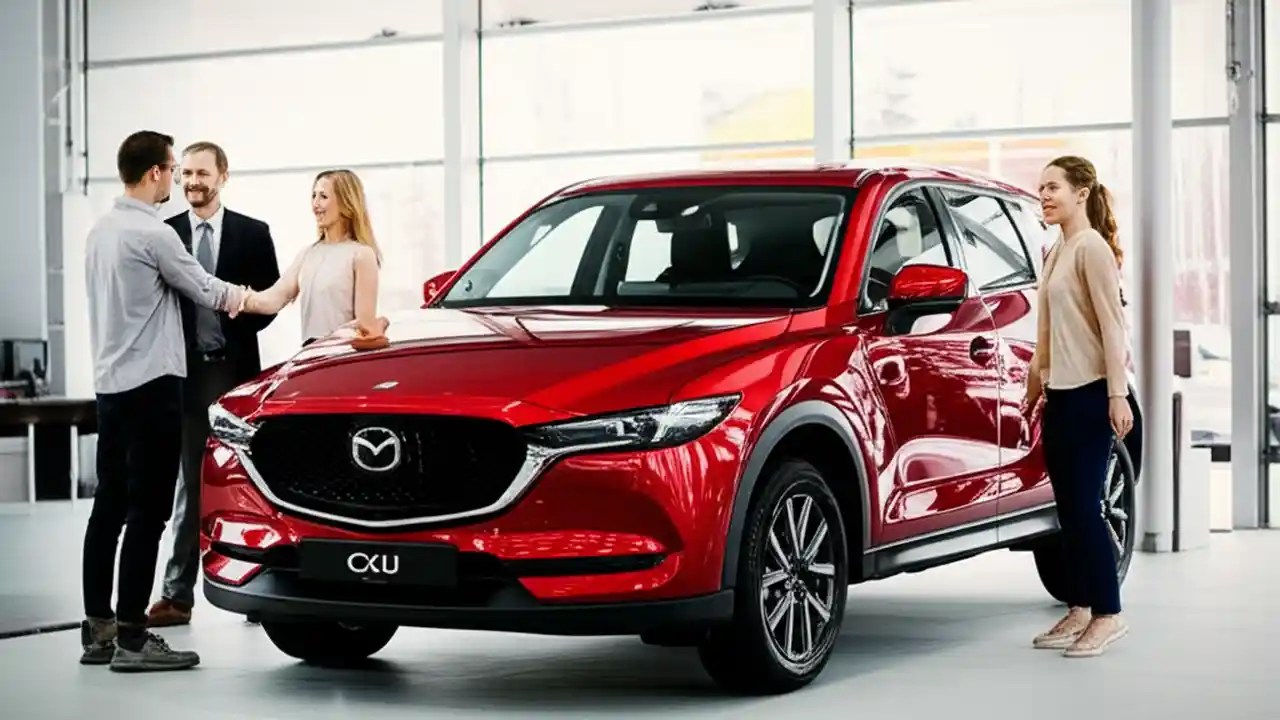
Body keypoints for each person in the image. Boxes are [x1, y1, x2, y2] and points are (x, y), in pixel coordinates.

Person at [80, 130, 261, 671]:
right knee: (150, 513)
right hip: (152, 389)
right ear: (156, 173)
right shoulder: (154, 234)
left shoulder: (100, 232)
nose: (177, 180)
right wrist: (267, 295)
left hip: (109, 387)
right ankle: (134, 641)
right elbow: (207, 289)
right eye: (173, 169)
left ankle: (99, 631)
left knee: (109, 508)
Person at [146, 141, 281, 629]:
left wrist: (234, 322)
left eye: (202, 173)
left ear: (223, 176)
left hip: (235, 373)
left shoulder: (253, 233)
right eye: (185, 173)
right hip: (185, 375)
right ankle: (176, 595)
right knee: (189, 483)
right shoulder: (165, 234)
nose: (192, 182)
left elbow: (269, 300)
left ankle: (257, 588)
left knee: (250, 484)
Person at [1023, 155, 1133, 658]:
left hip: (1091, 392)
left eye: (1053, 188)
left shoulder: (1091, 247)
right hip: (1060, 394)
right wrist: (1033, 387)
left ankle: (1109, 614)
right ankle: (1081, 607)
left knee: (1087, 509)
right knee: (1068, 510)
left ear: (1081, 193)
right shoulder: (1056, 251)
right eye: (1041, 188)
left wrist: (1117, 394)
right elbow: (1046, 330)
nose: (1044, 196)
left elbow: (1112, 325)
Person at [242, 169, 383, 342]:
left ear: (346, 202)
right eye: (313, 196)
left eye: (323, 196)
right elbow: (272, 300)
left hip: (341, 355)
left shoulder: (362, 255)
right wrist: (227, 296)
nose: (315, 204)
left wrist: (332, 339)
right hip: (311, 353)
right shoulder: (307, 254)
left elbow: (364, 328)